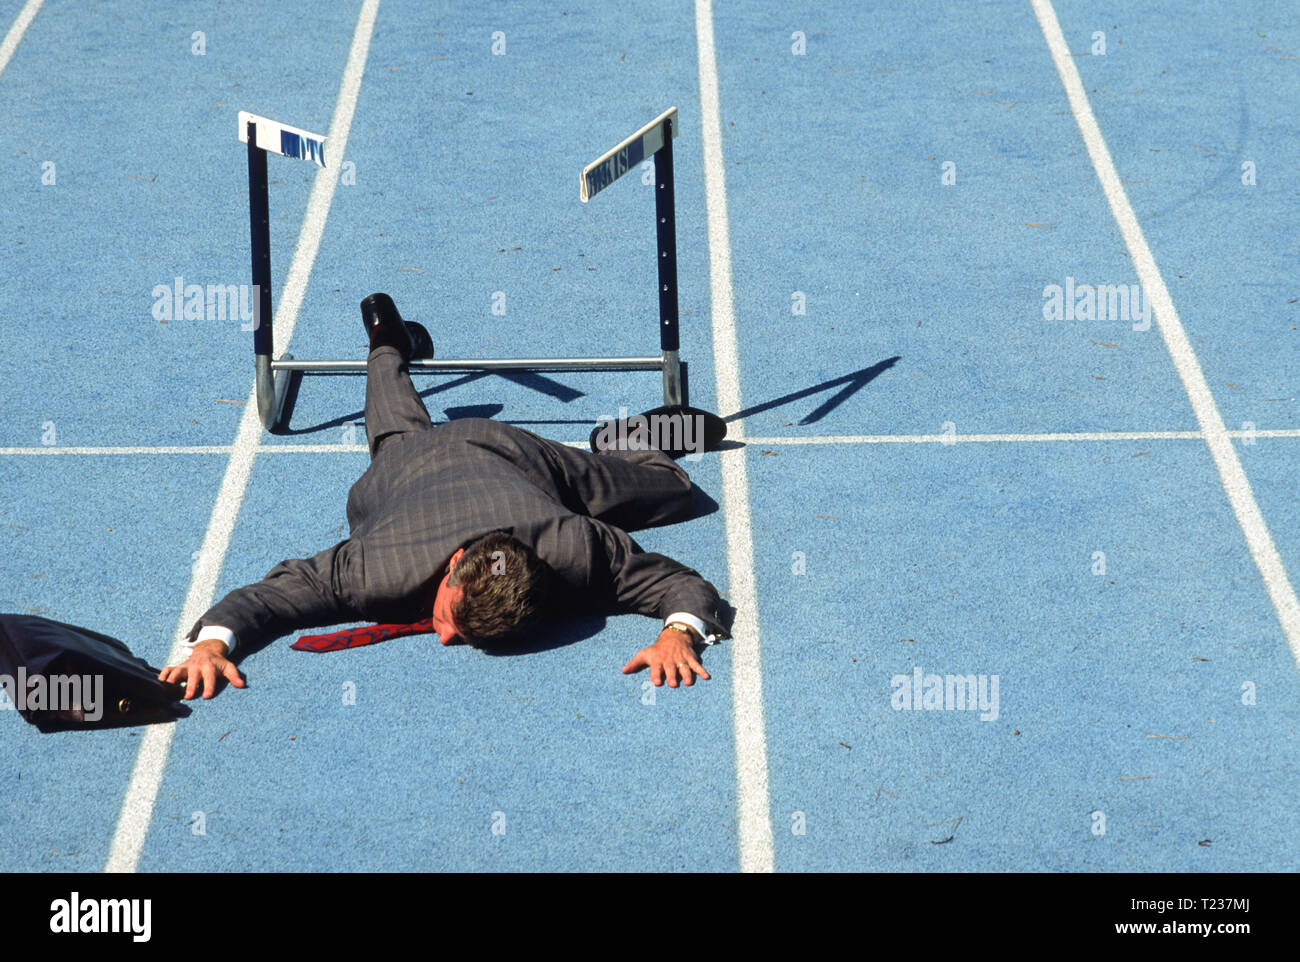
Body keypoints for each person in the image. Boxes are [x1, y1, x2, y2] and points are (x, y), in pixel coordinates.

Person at [159, 293, 729, 700]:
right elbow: (275, 595)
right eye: (455, 620)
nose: (446, 636)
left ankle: (627, 438)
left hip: (519, 458)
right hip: (411, 471)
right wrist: (211, 645)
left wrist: (679, 634)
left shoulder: (576, 546)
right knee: (395, 442)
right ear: (457, 566)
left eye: (452, 625)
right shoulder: (375, 569)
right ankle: (386, 342)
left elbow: (681, 584)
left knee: (676, 489)